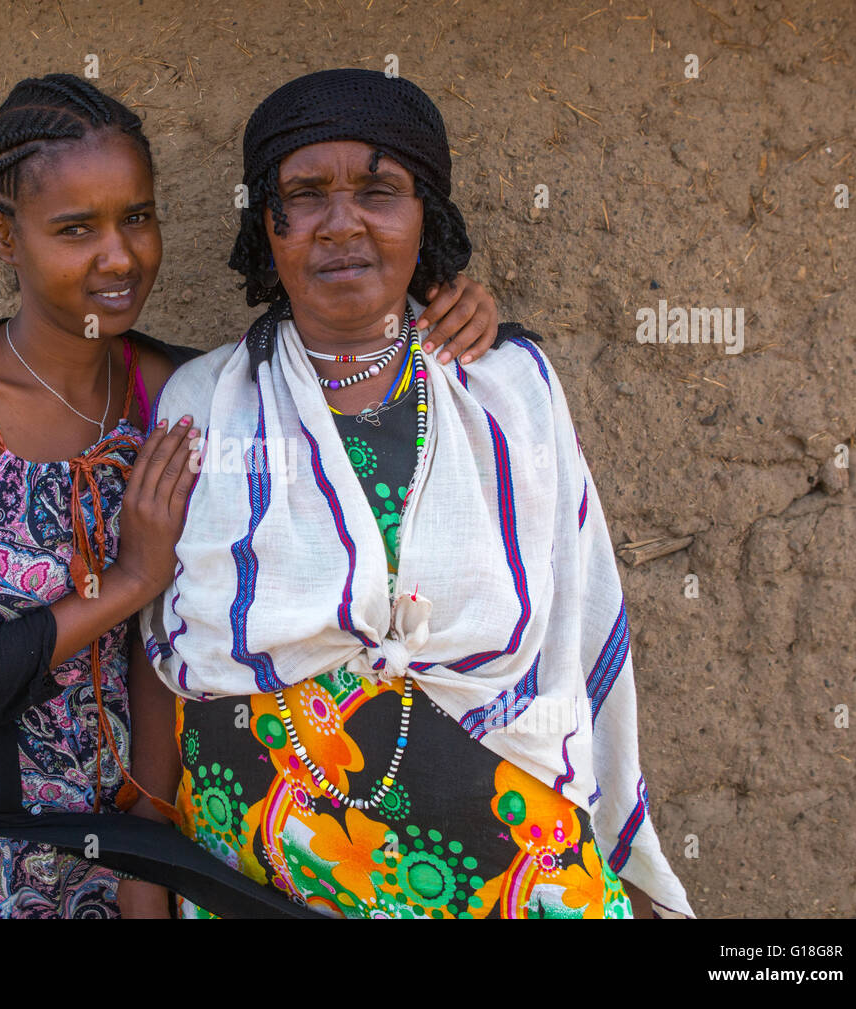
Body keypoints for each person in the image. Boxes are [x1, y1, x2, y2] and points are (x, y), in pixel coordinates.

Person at [0, 73, 506, 918]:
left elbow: (335, 382)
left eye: (137, 216)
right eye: (75, 228)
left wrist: (445, 310)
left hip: (135, 841)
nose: (120, 255)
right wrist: (128, 583)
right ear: (1, 235)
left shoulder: (187, 396)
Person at [135, 68, 696, 919]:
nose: (342, 222)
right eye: (307, 193)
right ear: (269, 225)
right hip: (267, 870)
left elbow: (578, 613)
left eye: (379, 191)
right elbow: (168, 637)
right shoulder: (206, 403)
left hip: (497, 861)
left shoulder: (506, 389)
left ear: (424, 213)